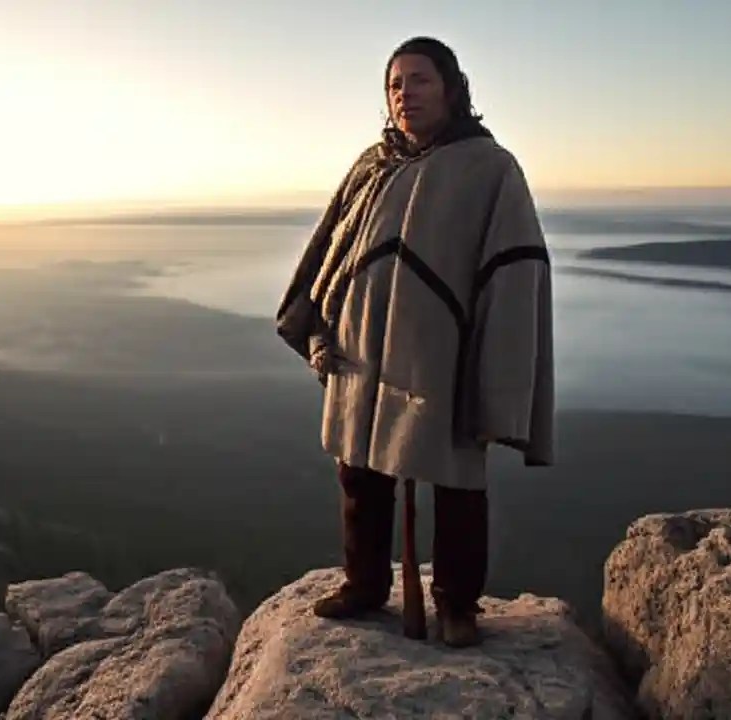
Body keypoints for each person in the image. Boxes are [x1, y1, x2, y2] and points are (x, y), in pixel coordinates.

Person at [275, 36, 555, 648]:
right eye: (395, 84)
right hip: (361, 349)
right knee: (359, 471)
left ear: (452, 88)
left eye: (420, 80)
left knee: (455, 478)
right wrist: (319, 321)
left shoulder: (490, 168)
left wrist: (499, 373)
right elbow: (333, 248)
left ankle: (457, 605)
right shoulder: (375, 165)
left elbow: (514, 269)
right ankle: (365, 584)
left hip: (440, 355)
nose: (406, 94)